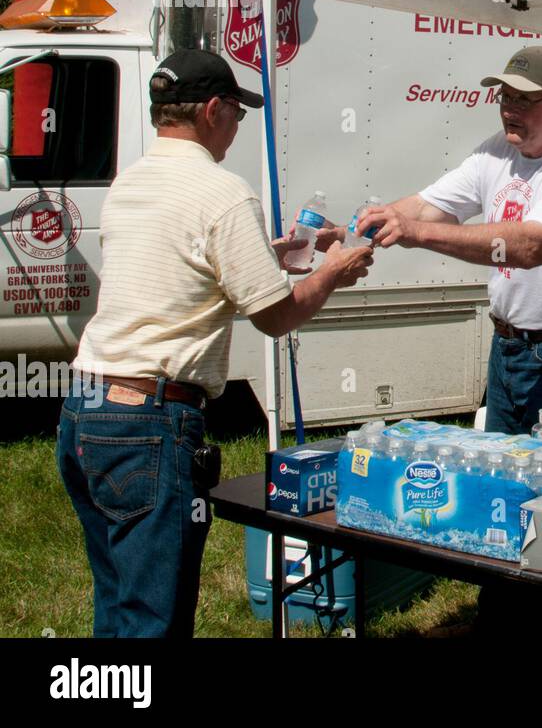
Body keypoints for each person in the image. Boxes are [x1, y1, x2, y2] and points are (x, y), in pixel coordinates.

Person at [57, 49, 373, 638]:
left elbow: (178, 275)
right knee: (155, 618)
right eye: (237, 113)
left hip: (86, 413)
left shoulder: (131, 181)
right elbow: (277, 318)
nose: (236, 126)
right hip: (149, 423)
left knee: (119, 604)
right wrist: (333, 268)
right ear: (212, 110)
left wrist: (264, 255)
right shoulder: (223, 192)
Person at [359, 44, 542, 466]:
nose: (509, 109)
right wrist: (355, 230)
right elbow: (429, 206)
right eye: (504, 97)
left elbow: (529, 247)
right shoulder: (497, 151)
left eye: (523, 98)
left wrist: (416, 232)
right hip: (509, 346)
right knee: (499, 475)